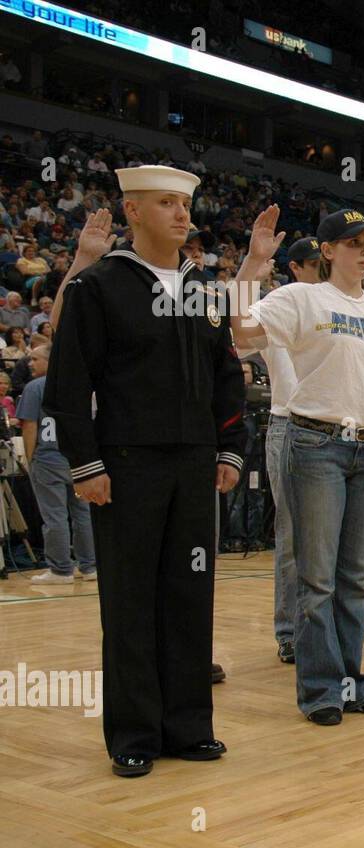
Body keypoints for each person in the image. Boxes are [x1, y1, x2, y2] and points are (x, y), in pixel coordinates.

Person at [44, 165, 246, 777]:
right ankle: (134, 732)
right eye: (165, 204)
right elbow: (68, 384)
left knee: (191, 596)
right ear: (132, 212)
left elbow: (227, 378)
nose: (182, 215)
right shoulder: (99, 287)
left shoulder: (206, 292)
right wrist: (86, 464)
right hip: (126, 467)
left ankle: (188, 725)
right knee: (130, 603)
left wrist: (229, 451)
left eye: (185, 204)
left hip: (192, 470)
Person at [233, 206, 364, 724]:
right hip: (315, 444)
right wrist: (251, 266)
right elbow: (242, 333)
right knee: (317, 577)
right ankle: (320, 689)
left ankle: (352, 680)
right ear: (327, 251)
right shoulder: (300, 297)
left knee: (357, 577)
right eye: (352, 244)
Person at [239, 236, 319, 662]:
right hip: (289, 423)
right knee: (292, 535)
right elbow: (235, 336)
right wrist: (252, 266)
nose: (321, 268)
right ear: (294, 269)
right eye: (312, 263)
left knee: (330, 540)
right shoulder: (277, 307)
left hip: (337, 426)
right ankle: (290, 630)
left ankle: (322, 629)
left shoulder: (341, 304)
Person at [17, 345, 97, 584]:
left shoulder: (35, 387)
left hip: (49, 457)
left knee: (54, 516)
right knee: (83, 514)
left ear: (50, 361)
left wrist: (30, 459)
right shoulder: (79, 384)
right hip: (78, 459)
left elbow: (29, 425)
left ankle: (61, 569)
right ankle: (90, 566)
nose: (30, 363)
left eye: (34, 359)